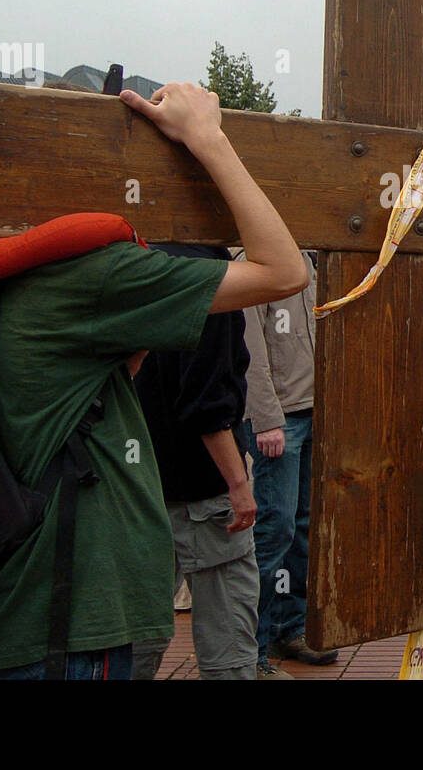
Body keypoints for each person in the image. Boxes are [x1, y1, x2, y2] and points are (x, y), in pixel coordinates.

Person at [0, 82, 307, 679]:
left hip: (4, 600)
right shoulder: (93, 279)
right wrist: (208, 139)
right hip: (69, 624)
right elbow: (283, 270)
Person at [130, 245, 260, 681]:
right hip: (203, 488)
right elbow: (206, 405)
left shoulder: (134, 260)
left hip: (136, 482)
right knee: (228, 641)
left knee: (135, 635)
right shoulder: (213, 273)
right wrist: (238, 485)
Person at [240, 249, 336, 679]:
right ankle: (252, 650)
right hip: (279, 419)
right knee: (273, 529)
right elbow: (250, 347)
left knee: (300, 525)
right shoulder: (257, 259)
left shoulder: (305, 255)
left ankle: (288, 626)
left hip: (310, 409)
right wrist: (264, 419)